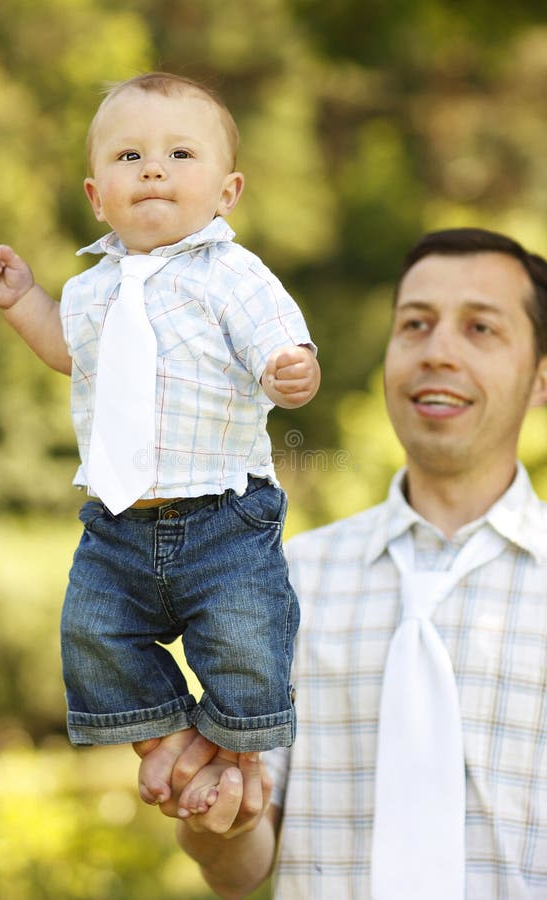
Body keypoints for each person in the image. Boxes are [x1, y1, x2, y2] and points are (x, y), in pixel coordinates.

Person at [0, 72, 320, 807]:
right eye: (129, 157)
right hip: (115, 523)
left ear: (227, 192)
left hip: (223, 515)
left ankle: (231, 747)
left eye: (180, 154)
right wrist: (23, 300)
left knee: (246, 641)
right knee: (93, 634)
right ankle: (166, 738)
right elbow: (70, 352)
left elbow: (283, 350)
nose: (153, 168)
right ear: (97, 195)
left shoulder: (232, 274)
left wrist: (293, 372)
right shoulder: (95, 286)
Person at [167, 227, 547, 899]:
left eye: (480, 328)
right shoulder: (290, 579)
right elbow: (241, 865)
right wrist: (214, 822)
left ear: (541, 377)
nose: (438, 352)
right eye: (415, 324)